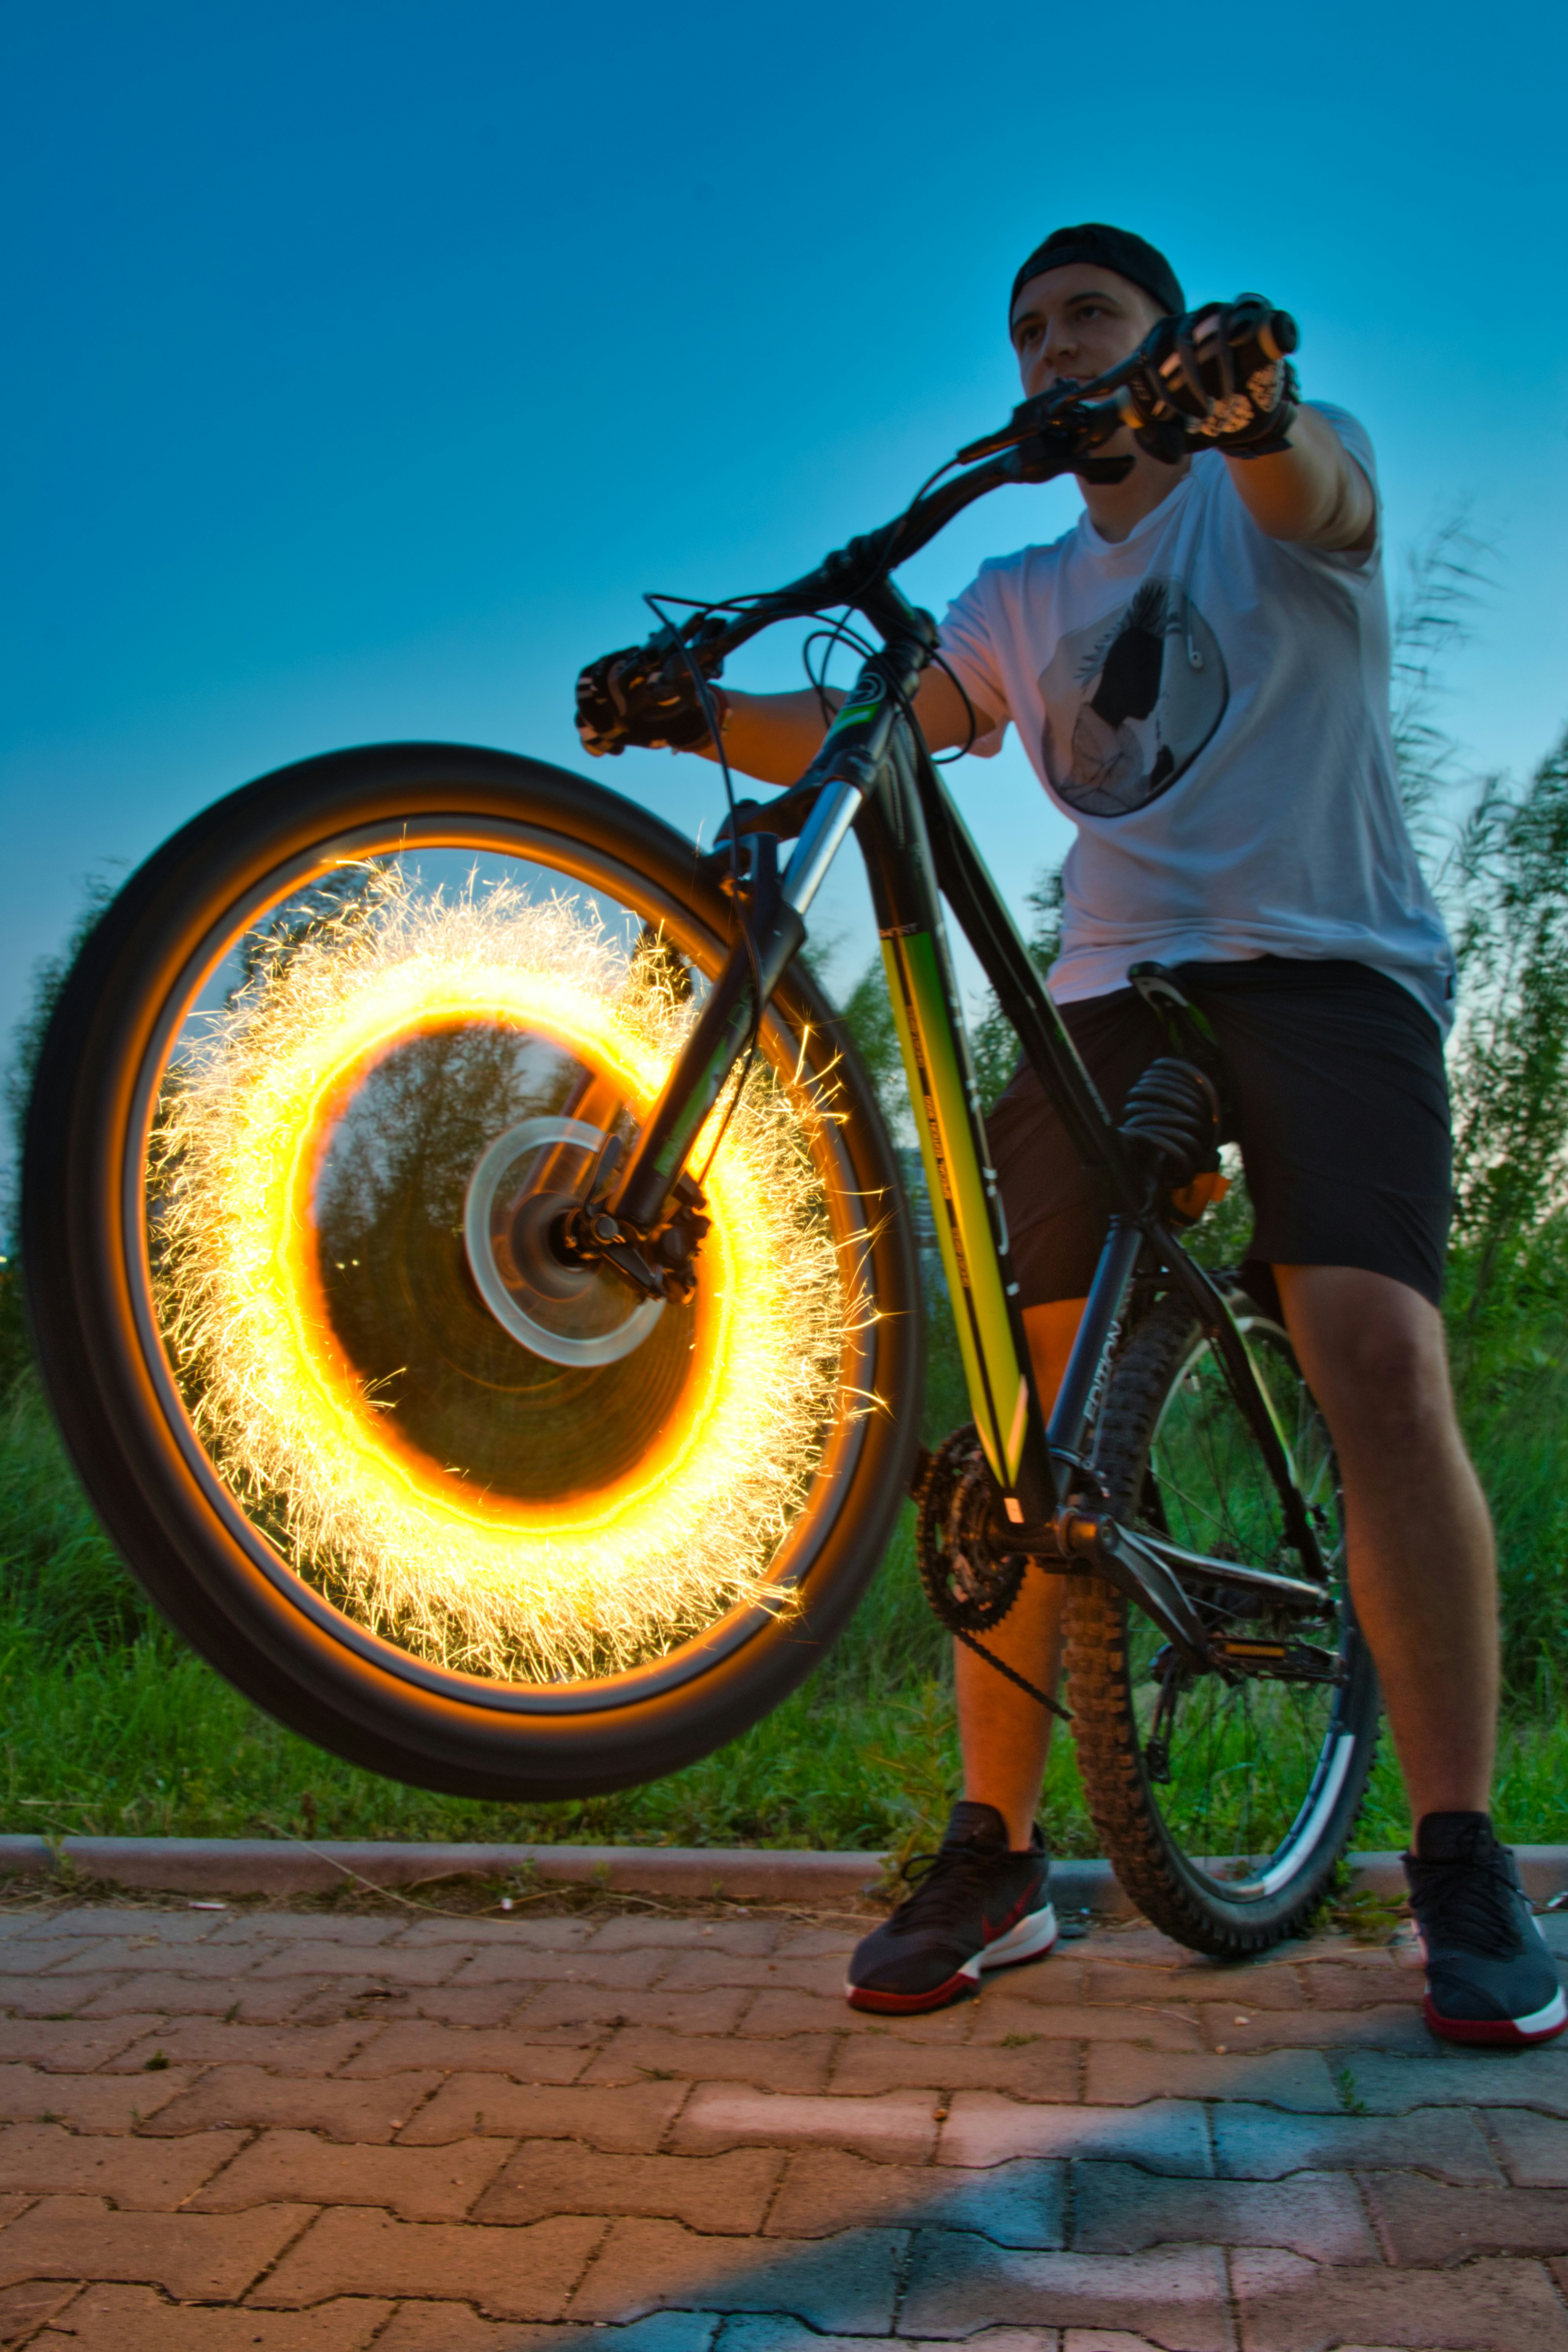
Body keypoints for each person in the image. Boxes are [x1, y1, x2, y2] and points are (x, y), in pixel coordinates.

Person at [576, 223, 1565, 2047]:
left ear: (1168, 336)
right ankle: (997, 1850)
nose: (1051, 353)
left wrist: (1249, 409)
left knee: (1371, 1352)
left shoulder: (1268, 474)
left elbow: (1315, 489)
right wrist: (697, 709)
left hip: (1330, 970)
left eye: (1087, 319)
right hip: (1112, 988)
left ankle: (1455, 1853)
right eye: (1026, 333)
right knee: (1028, 1411)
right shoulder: (1026, 590)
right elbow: (880, 720)